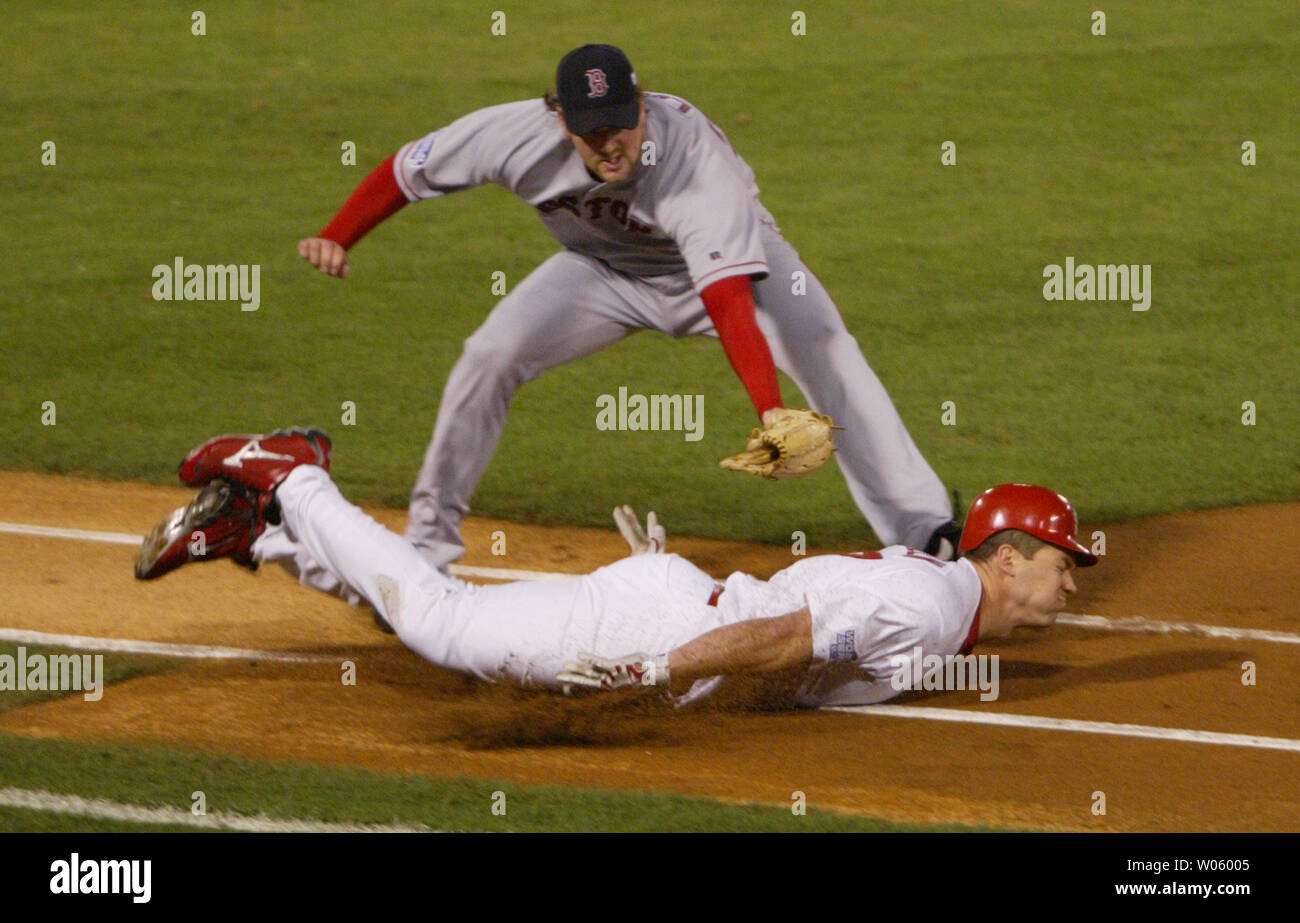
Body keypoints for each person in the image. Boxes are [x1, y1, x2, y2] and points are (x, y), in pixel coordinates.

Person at [296, 43, 962, 572]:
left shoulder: (695, 165)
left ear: (644, 105)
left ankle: (924, 530)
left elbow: (727, 299)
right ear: (559, 118)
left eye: (621, 123)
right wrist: (337, 234)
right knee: (488, 354)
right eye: (591, 132)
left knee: (828, 350)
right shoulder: (513, 137)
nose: (609, 142)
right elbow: (407, 172)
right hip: (602, 271)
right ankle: (426, 549)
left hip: (736, 269)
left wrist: (769, 409)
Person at [134, 428, 1096, 707]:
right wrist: (652, 670)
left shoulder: (944, 595)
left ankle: (254, 534)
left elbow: (793, 620)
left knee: (453, 617)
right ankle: (287, 477)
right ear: (1005, 559)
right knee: (442, 625)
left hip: (671, 603)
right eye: (1062, 562)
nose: (1072, 581)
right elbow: (779, 639)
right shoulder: (930, 609)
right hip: (660, 632)